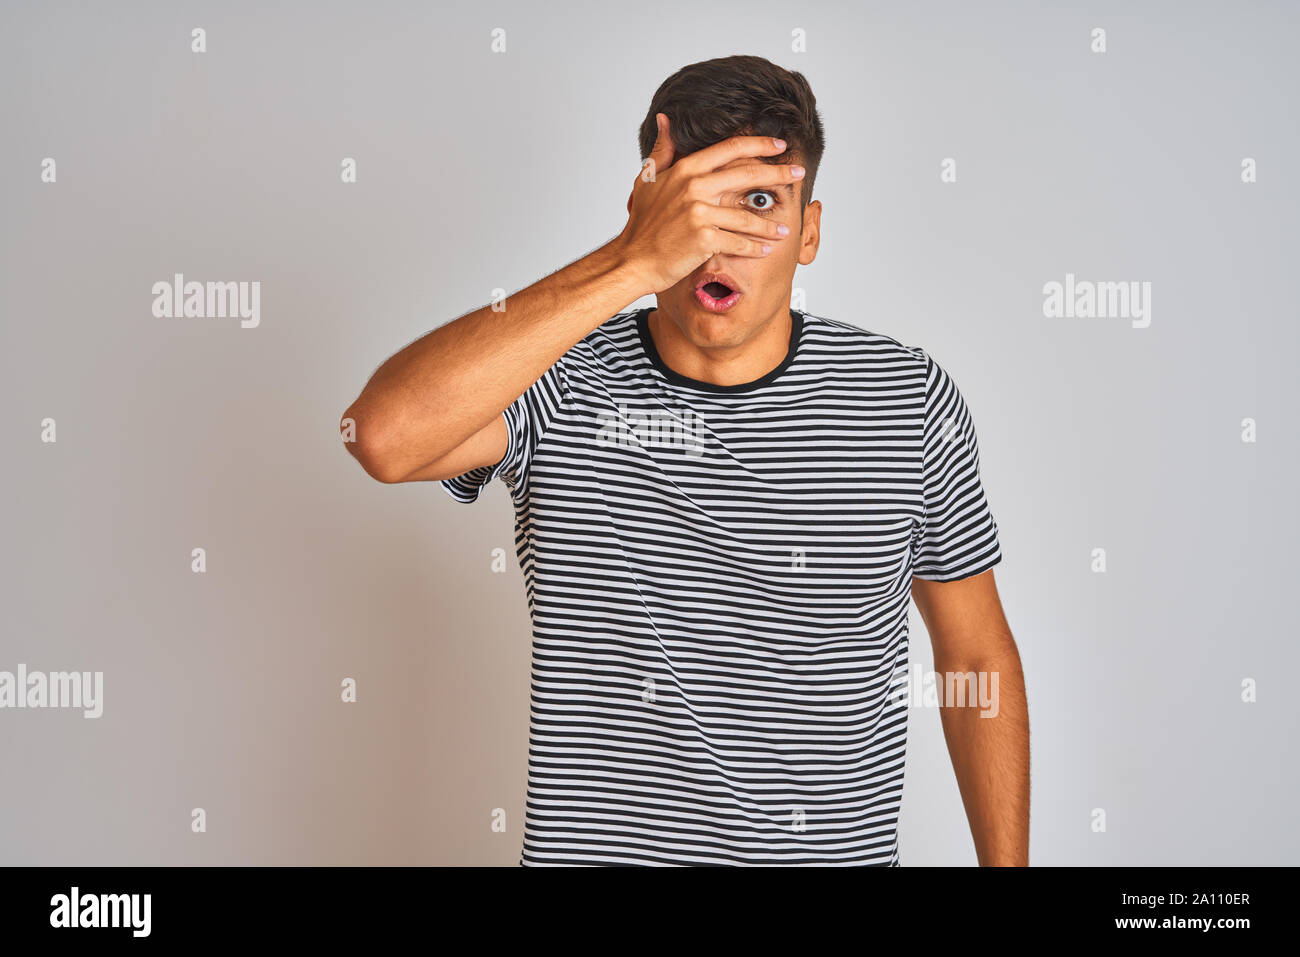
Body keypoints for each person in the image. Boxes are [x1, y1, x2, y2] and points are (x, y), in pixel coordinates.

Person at [341, 54, 1028, 866]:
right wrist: (628, 261)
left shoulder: (905, 399)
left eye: (760, 203)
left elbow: (974, 654)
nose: (720, 245)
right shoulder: (556, 379)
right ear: (649, 211)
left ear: (809, 231)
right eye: (694, 209)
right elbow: (381, 437)